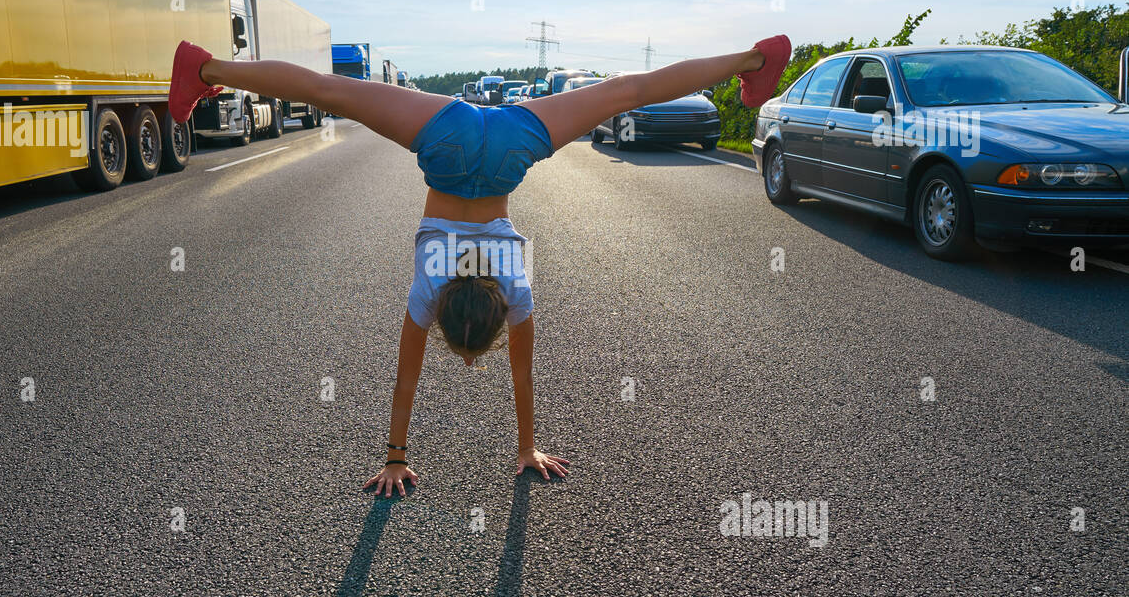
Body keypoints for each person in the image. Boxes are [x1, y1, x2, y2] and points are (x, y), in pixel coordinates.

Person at [168, 35, 791, 497]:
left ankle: (752, 61)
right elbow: (405, 379)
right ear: (443, 312)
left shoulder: (516, 291)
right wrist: (394, 457)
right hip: (447, 139)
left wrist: (528, 445)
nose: (469, 362)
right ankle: (206, 66)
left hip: (506, 149)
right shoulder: (427, 291)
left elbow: (522, 377)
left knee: (624, 91)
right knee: (337, 94)